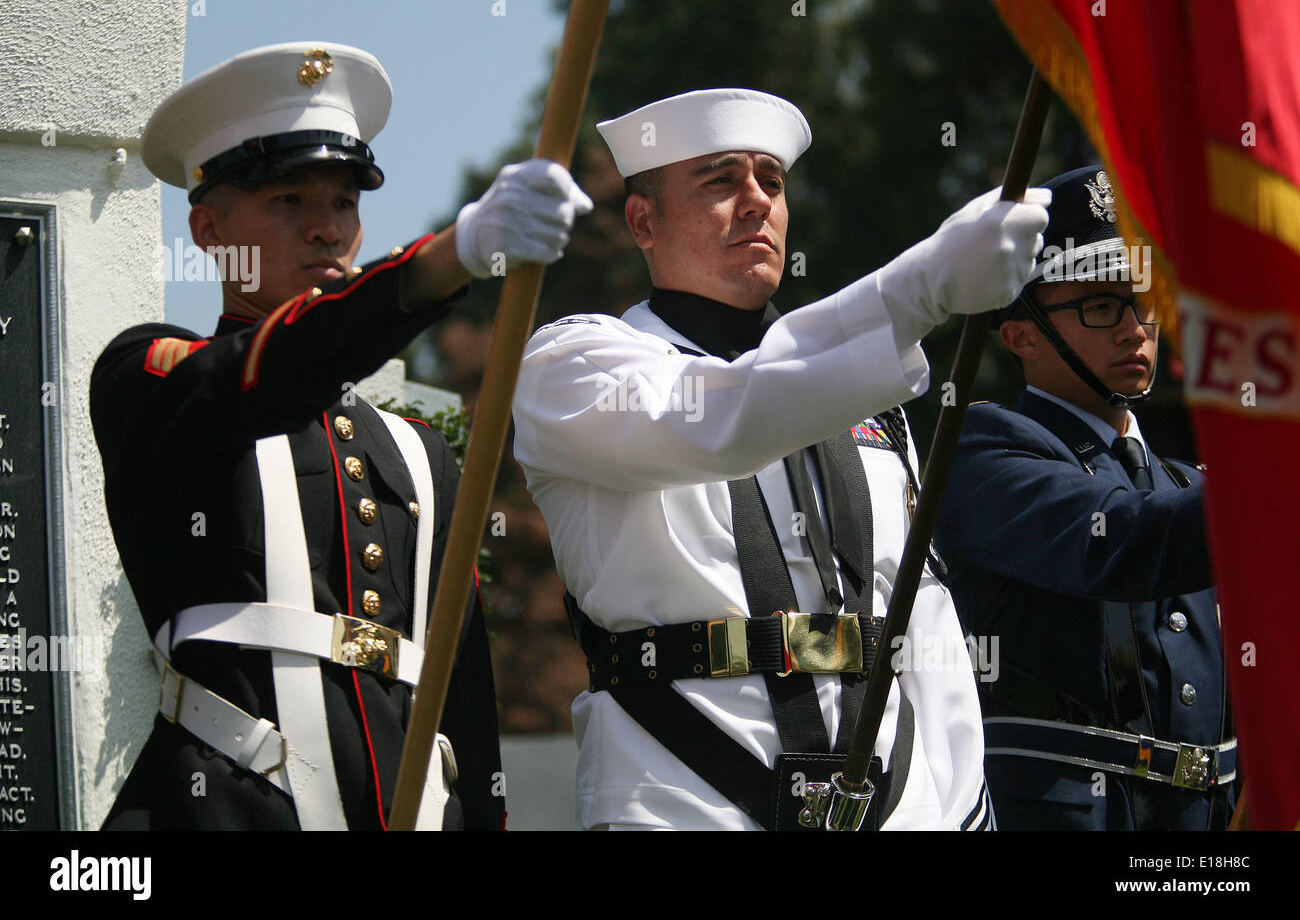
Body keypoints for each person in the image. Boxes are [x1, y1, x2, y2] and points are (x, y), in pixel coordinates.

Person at [511, 88, 1051, 830]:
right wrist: (920, 288)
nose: (756, 200)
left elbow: (922, 617)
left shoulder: (862, 395)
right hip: (682, 800)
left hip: (898, 805)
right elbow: (722, 417)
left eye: (771, 179)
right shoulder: (574, 365)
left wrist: (958, 805)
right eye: (720, 180)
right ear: (643, 220)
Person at [91, 42, 592, 830]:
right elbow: (276, 366)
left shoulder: (418, 453)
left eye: (345, 204)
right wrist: (443, 260)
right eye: (290, 201)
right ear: (210, 227)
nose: (327, 229)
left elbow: (459, 688)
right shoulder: (152, 378)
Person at [934, 165, 1236, 830]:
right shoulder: (982, 454)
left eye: (1145, 300)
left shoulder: (1185, 483)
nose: (1135, 327)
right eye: (1101, 305)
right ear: (1021, 336)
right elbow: (1120, 543)